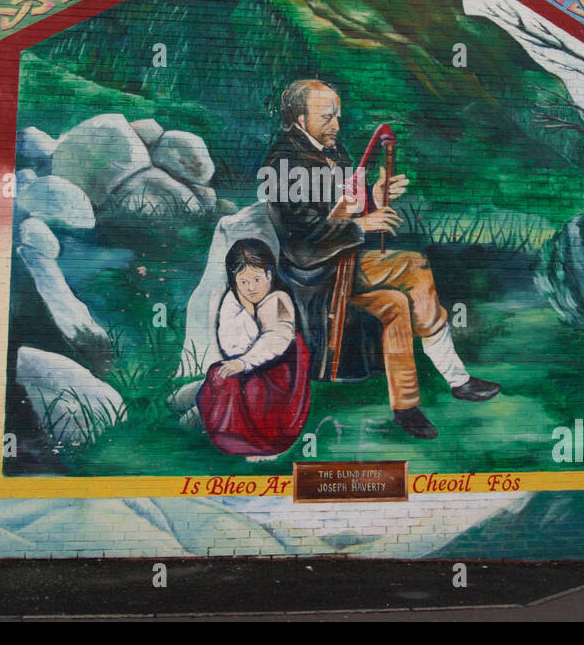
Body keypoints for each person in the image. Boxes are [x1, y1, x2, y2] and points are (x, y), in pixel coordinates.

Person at [262, 79, 499, 440]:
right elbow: (303, 239)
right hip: (313, 278)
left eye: (337, 116)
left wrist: (373, 195)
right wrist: (361, 223)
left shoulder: (332, 149)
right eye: (327, 117)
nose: (336, 126)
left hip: (342, 266)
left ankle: (406, 407)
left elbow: (344, 206)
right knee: (413, 266)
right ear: (297, 118)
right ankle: (457, 378)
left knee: (395, 304)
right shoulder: (282, 162)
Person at [196, 239, 311, 460]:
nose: (251, 288)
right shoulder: (234, 299)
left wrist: (244, 363)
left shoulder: (277, 300)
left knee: (253, 392)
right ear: (234, 281)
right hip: (250, 366)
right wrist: (244, 311)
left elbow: (276, 338)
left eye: (257, 279)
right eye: (243, 281)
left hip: (280, 375)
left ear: (269, 274)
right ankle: (230, 436)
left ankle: (262, 443)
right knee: (219, 375)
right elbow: (232, 346)